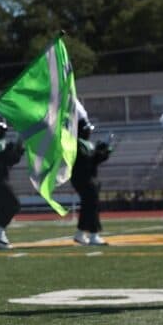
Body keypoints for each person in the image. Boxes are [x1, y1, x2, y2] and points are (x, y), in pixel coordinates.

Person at [71, 102, 111, 246]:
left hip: (90, 178)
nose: (90, 132)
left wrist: (104, 150)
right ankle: (94, 235)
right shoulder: (77, 143)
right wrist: (99, 152)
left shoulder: (86, 144)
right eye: (87, 129)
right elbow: (87, 160)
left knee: (88, 206)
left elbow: (94, 159)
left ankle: (80, 233)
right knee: (91, 205)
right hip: (83, 179)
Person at [0, 114, 24, 250]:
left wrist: (18, 150)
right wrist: (5, 154)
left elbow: (11, 161)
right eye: (0, 128)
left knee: (3, 207)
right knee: (14, 205)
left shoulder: (2, 142)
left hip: (3, 177)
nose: (4, 130)